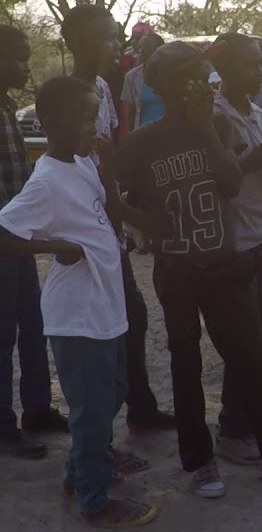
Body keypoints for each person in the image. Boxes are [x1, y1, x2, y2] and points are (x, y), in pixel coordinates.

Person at [115, 42, 262, 498]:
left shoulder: (219, 124)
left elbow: (230, 183)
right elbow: (113, 192)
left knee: (250, 360)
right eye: (198, 78)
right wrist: (143, 222)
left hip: (223, 266)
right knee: (185, 363)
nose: (208, 85)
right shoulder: (142, 143)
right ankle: (200, 464)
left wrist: (206, 129)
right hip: (176, 273)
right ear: (172, 87)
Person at [0, 76, 157, 527]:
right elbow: (5, 233)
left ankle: (80, 471)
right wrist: (54, 247)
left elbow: (107, 205)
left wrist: (106, 164)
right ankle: (94, 499)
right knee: (91, 411)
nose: (97, 126)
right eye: (88, 118)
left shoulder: (82, 161)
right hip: (78, 315)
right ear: (52, 123)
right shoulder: (47, 180)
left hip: (104, 306)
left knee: (113, 394)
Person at [61, 4, 173, 432]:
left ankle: (137, 408)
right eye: (107, 36)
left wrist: (122, 210)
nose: (116, 44)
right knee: (107, 324)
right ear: (76, 42)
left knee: (131, 314)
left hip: (104, 217)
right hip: (81, 223)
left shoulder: (103, 90)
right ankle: (102, 432)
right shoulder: (66, 97)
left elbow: (105, 160)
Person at [208, 34, 262, 462]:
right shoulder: (215, 118)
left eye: (259, 65)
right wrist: (250, 163)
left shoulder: (253, 111)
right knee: (245, 342)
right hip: (234, 240)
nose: (257, 73)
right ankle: (233, 430)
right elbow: (216, 181)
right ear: (225, 70)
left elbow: (253, 169)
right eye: (249, 65)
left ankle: (251, 421)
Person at [0, 26, 65, 460]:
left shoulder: (7, 107)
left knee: (33, 325)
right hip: (3, 239)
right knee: (4, 334)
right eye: (19, 58)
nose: (26, 66)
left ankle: (38, 409)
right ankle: (4, 425)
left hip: (19, 237)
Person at [120, 32, 165, 134]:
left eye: (147, 46)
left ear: (159, 49)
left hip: (168, 134)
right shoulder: (131, 77)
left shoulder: (171, 75)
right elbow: (130, 111)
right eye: (140, 47)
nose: (142, 51)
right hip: (143, 134)